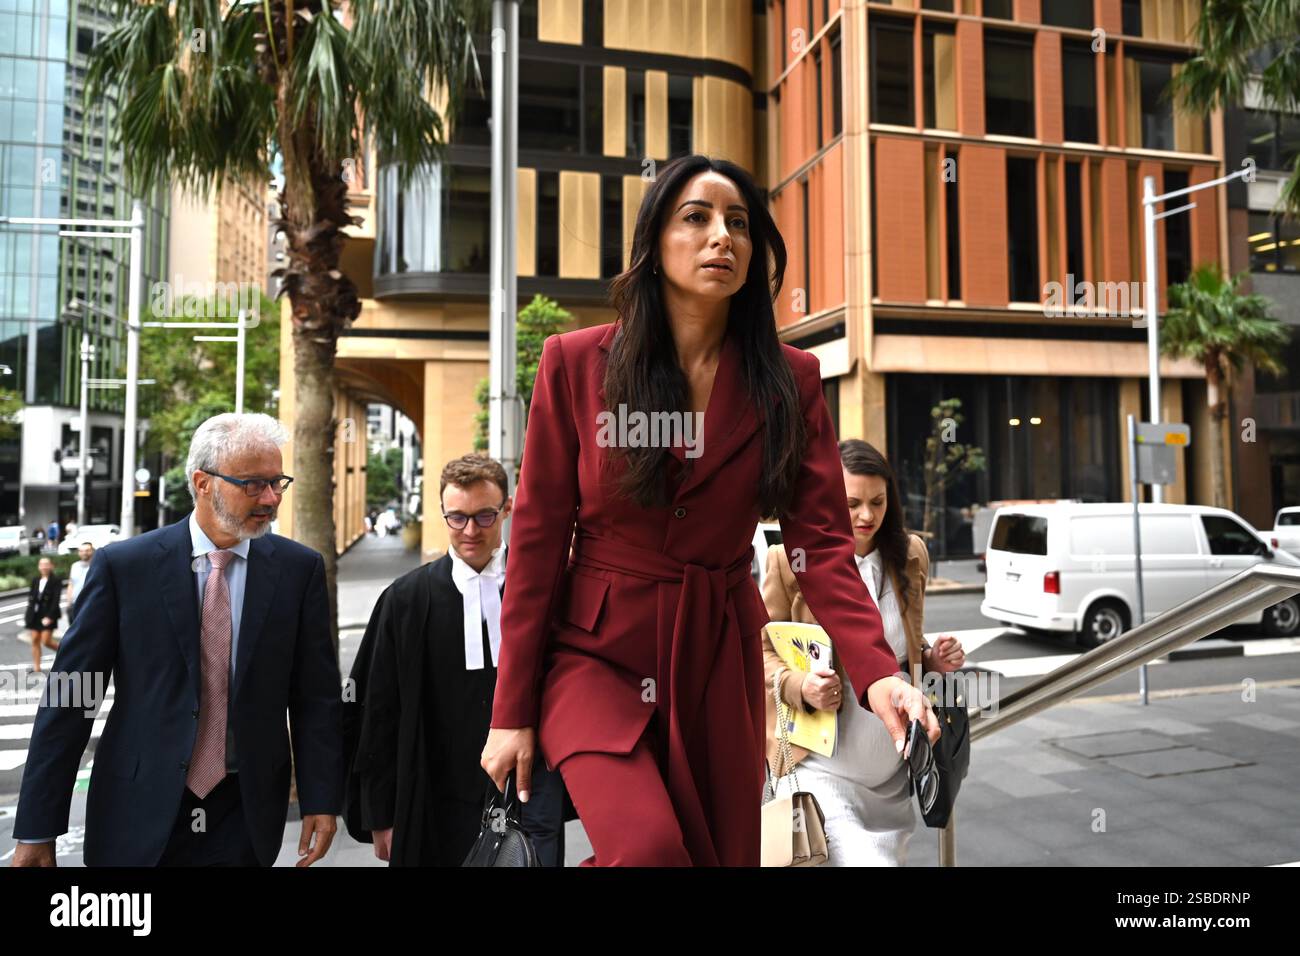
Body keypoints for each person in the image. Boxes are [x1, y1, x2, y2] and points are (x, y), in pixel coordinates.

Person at [480, 154, 940, 866]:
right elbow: (537, 543)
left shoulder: (792, 382)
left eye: (739, 224)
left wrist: (878, 670)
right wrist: (510, 712)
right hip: (594, 655)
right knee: (652, 849)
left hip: (718, 654)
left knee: (719, 856)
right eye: (695, 218)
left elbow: (818, 543)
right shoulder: (574, 364)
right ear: (655, 243)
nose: (721, 236)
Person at [11, 412, 343, 867]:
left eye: (277, 482)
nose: (270, 498)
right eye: (253, 484)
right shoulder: (124, 568)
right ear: (203, 482)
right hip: (135, 808)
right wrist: (37, 827)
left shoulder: (297, 569)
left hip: (243, 813)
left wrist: (322, 797)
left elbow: (316, 697)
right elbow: (71, 697)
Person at [345, 454, 569, 865]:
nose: (470, 531)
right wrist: (381, 813)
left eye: (485, 517)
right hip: (431, 791)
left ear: (508, 507)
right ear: (443, 513)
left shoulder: (542, 588)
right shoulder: (406, 600)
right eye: (457, 518)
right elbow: (378, 711)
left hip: (527, 786)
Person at [761, 439, 966, 866]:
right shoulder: (787, 562)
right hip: (821, 767)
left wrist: (931, 660)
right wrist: (801, 685)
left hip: (891, 774)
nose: (867, 515)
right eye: (852, 503)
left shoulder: (910, 555)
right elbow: (760, 650)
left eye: (878, 501)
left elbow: (904, 646)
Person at [24, 557, 62, 673]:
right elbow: (31, 598)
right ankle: (36, 668)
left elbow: (56, 600)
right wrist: (28, 615)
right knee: (35, 640)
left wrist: (50, 617)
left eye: (46, 564)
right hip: (35, 615)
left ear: (51, 566)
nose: (44, 567)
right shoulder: (35, 580)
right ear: (39, 567)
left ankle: (67, 653)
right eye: (41, 564)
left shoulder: (56, 580)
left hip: (48, 614)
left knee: (46, 641)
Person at [64, 542, 94, 627]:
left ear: (92, 551)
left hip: (90, 604)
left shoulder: (97, 565)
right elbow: (71, 583)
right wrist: (68, 602)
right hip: (74, 604)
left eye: (87, 550)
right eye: (81, 551)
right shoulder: (74, 566)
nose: (84, 553)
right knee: (74, 630)